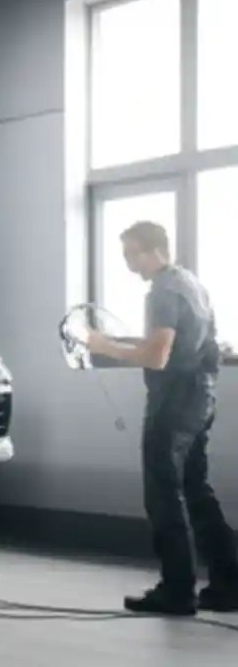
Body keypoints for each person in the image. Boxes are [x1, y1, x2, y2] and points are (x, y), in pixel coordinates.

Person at [86, 220, 238, 615]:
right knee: (197, 490)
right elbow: (192, 345)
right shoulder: (192, 284)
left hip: (173, 405)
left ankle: (177, 590)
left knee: (164, 494)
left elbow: (157, 356)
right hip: (201, 401)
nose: (127, 264)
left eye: (129, 254)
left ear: (150, 250)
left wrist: (106, 347)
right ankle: (230, 584)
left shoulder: (161, 292)